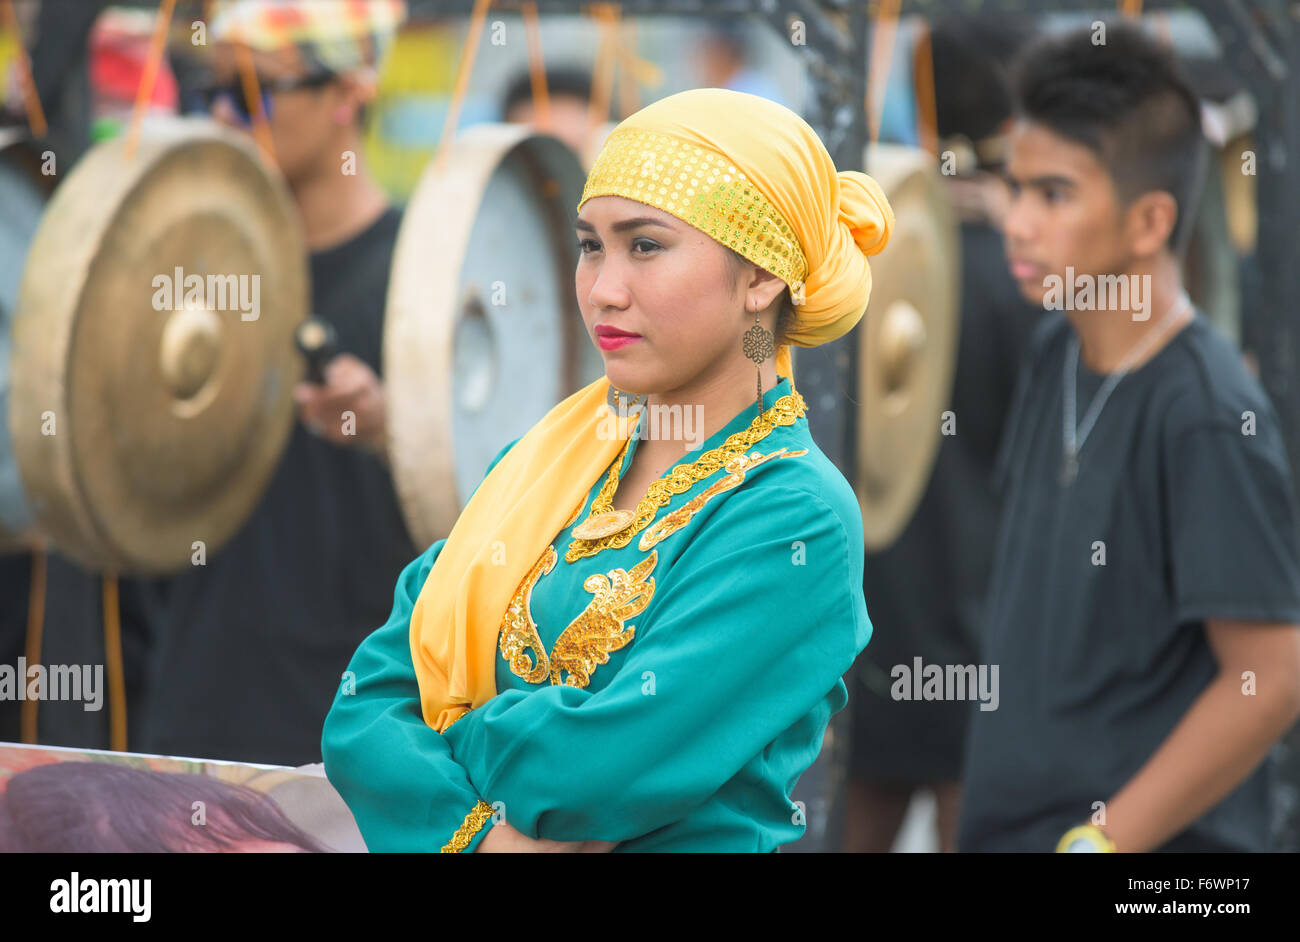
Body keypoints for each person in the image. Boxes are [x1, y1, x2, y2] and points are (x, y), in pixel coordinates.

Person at [322, 87, 894, 852]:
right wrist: (485, 840)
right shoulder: (545, 463)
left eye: (646, 246)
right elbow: (365, 705)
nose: (603, 289)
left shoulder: (795, 515)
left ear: (761, 277)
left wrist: (451, 728)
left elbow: (595, 774)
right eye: (591, 245)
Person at [957, 24, 1300, 853]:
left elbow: (1273, 676)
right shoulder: (1056, 348)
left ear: (1150, 221)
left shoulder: (1207, 414)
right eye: (1016, 187)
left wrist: (1106, 840)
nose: (1018, 221)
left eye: (1055, 194)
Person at [135, 0, 416, 767]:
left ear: (350, 93)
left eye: (256, 88)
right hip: (195, 703)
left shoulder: (430, 270)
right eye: (209, 88)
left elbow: (508, 506)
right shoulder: (192, 268)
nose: (225, 113)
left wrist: (396, 431)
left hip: (363, 728)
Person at [846, 14, 1041, 854]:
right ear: (1016, 119)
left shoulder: (853, 282)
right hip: (990, 638)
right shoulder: (1038, 287)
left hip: (866, 632)